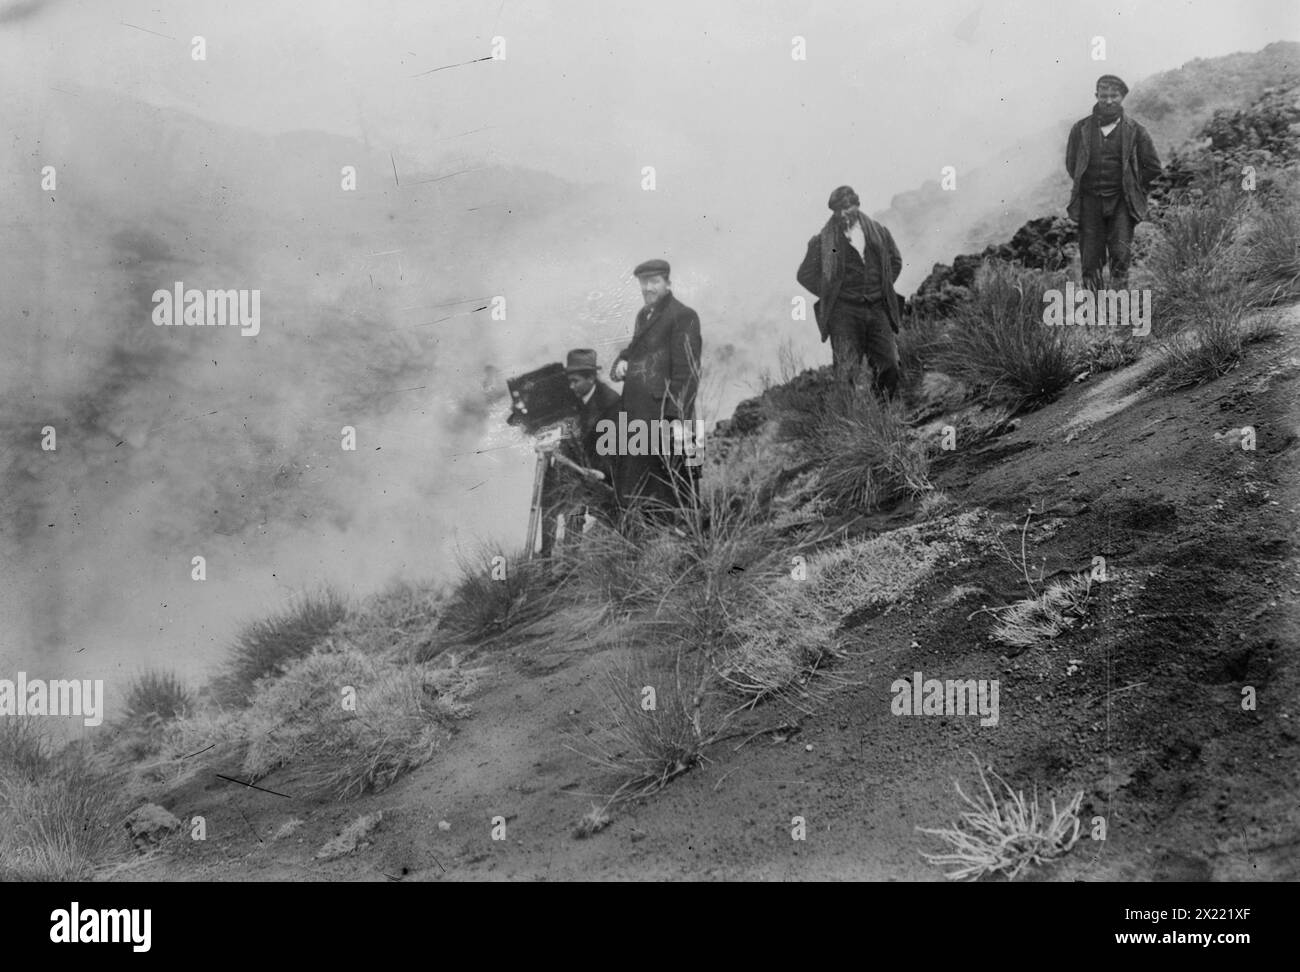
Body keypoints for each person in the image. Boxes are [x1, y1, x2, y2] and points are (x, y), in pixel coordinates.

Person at [610, 259, 702, 514]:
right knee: (646, 492)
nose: (647, 287)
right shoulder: (644, 315)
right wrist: (623, 361)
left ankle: (690, 543)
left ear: (667, 283)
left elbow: (688, 374)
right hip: (641, 416)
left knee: (680, 490)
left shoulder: (683, 316)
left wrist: (674, 419)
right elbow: (635, 348)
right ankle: (657, 546)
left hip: (667, 416)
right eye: (643, 282)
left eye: (654, 281)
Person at [797, 186, 903, 399]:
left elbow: (895, 261)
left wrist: (881, 287)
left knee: (890, 365)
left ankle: (881, 415)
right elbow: (805, 274)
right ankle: (850, 425)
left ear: (857, 205)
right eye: (838, 210)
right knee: (846, 374)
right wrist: (830, 292)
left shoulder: (878, 232)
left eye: (847, 207)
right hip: (844, 313)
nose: (843, 213)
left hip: (877, 308)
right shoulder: (823, 241)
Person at [1065, 74, 1163, 291]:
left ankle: (1119, 312)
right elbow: (1073, 165)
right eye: (1103, 96)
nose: (1108, 101)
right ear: (1096, 96)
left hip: (1121, 203)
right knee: (1091, 260)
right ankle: (1094, 312)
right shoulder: (1080, 129)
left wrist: (1133, 186)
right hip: (1090, 202)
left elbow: (1154, 167)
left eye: (1114, 96)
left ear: (1122, 97)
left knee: (1120, 256)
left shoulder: (1136, 130)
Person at [537, 349, 622, 556]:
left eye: (575, 381)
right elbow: (555, 425)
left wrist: (603, 473)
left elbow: (617, 447)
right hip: (574, 468)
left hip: (603, 472)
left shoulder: (611, 403)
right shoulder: (571, 397)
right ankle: (560, 563)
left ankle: (625, 550)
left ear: (591, 377)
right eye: (569, 381)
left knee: (615, 520)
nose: (571, 386)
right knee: (563, 504)